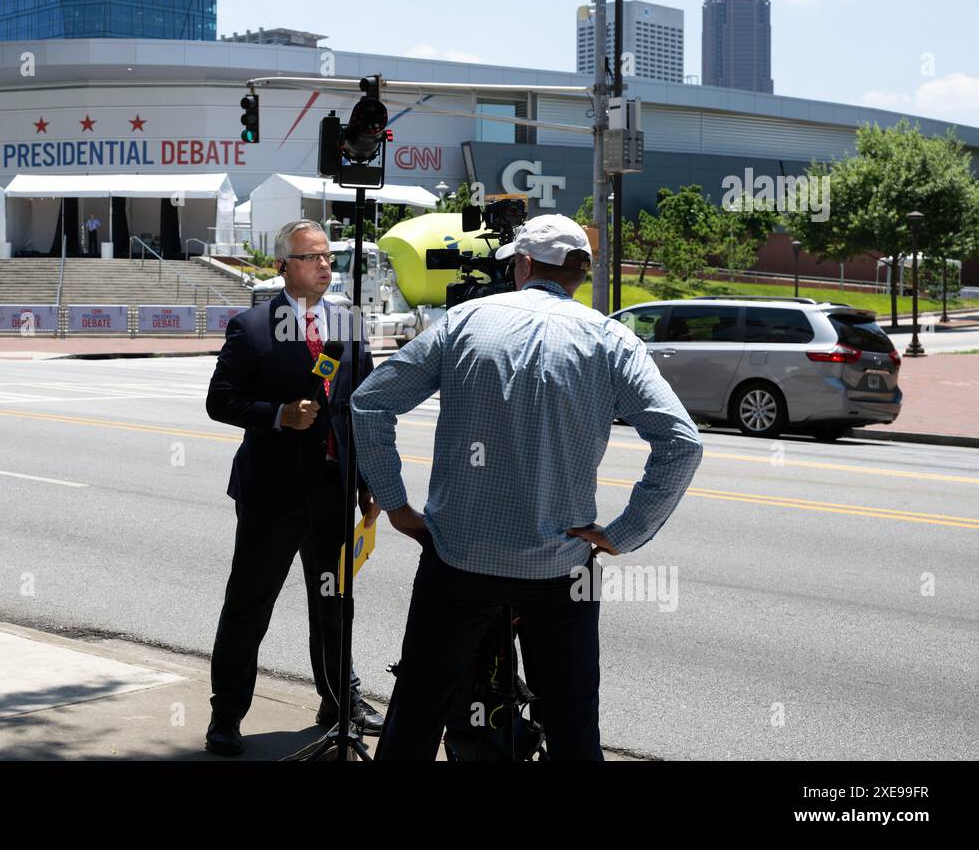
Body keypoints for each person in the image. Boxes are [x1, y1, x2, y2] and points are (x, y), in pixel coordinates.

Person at [350, 213, 704, 760]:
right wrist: (623, 534)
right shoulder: (611, 340)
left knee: (420, 703)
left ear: (522, 264)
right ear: (578, 276)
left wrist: (396, 506)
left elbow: (371, 403)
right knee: (571, 715)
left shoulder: (464, 321)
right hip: (560, 564)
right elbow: (681, 442)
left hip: (459, 556)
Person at [204, 219, 384, 756]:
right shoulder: (252, 327)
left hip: (333, 489)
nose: (325, 266)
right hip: (272, 495)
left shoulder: (349, 324)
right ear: (284, 266)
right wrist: (277, 414)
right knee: (249, 603)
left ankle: (338, 700)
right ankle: (227, 715)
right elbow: (220, 401)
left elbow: (364, 406)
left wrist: (368, 479)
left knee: (334, 601)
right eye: (312, 258)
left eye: (328, 257)